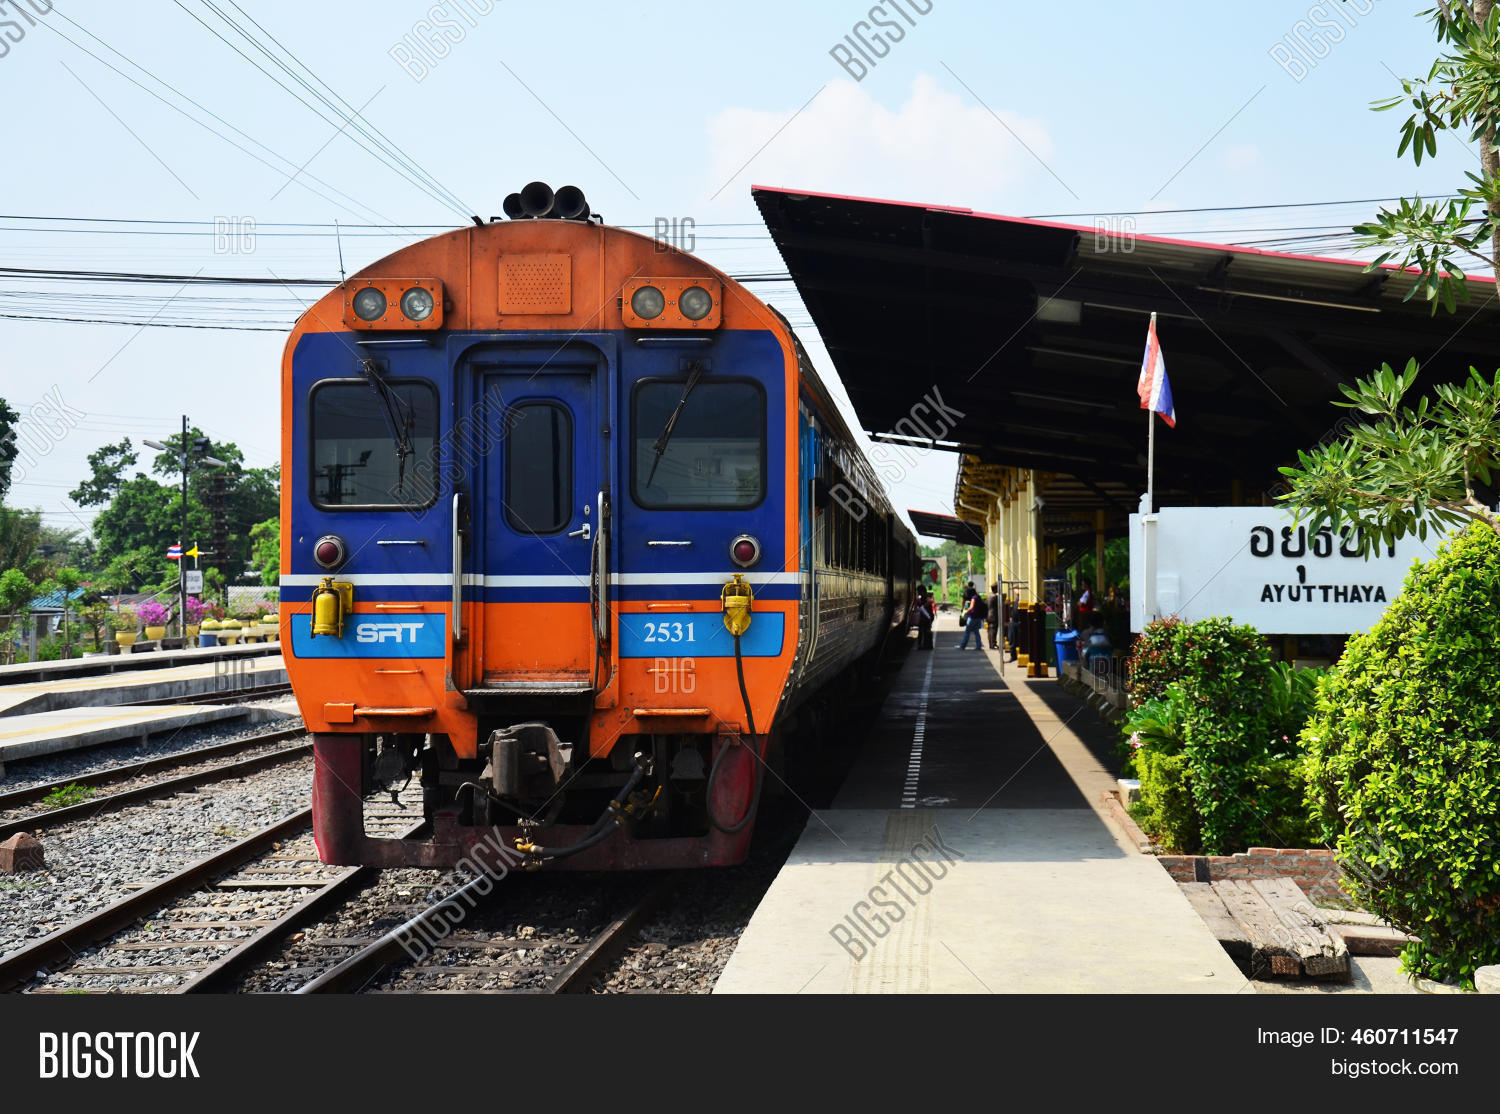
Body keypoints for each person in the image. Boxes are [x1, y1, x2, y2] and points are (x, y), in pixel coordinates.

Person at [957, 585, 987, 650]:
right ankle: (978, 646)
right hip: (978, 618)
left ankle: (963, 645)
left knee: (967, 631)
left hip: (972, 617)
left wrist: (965, 612)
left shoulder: (973, 598)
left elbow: (972, 607)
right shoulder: (978, 597)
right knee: (976, 632)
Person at [986, 582, 1001, 650]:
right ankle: (993, 644)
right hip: (993, 615)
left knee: (990, 629)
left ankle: (991, 643)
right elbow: (999, 605)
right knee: (993, 630)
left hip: (988, 614)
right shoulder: (995, 596)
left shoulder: (989, 595)